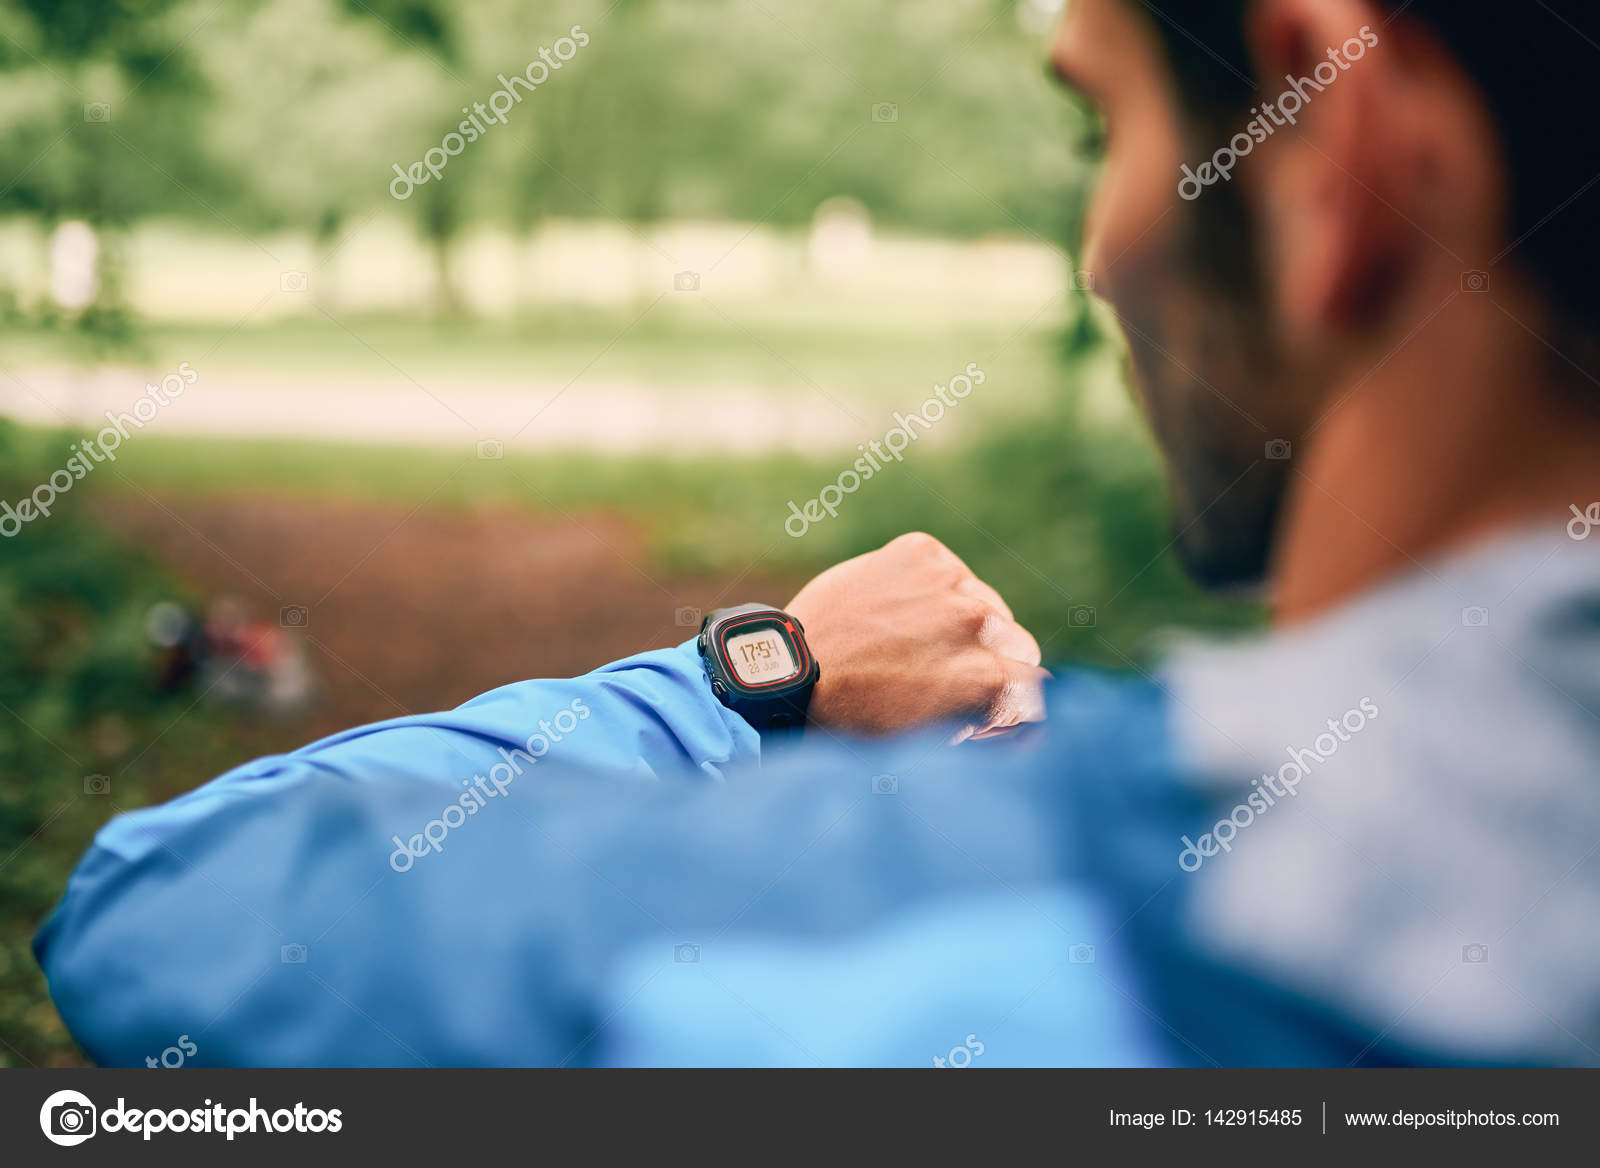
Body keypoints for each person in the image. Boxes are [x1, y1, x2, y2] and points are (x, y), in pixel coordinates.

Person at [35, 0, 1600, 1067]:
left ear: (1340, 156)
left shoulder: (1096, 902)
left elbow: (168, 921)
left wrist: (739, 681)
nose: (1100, 241)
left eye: (1098, 128)